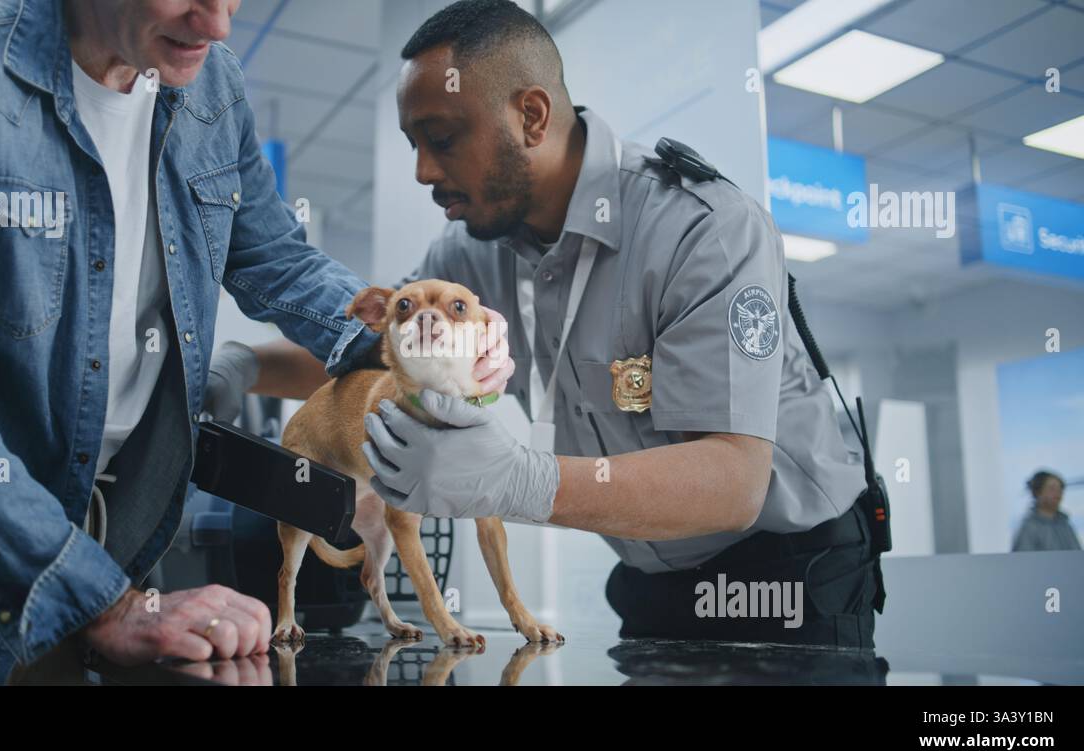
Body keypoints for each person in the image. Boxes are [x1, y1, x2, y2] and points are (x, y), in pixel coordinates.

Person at [0, 0, 512, 685]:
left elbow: (275, 258)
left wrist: (429, 347)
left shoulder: (213, 84)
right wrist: (103, 603)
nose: (217, 22)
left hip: (99, 563)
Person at [356, 0, 885, 647]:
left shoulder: (703, 228)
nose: (423, 172)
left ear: (530, 116)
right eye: (414, 146)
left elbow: (734, 482)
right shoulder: (469, 252)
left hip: (789, 571)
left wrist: (521, 480)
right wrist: (234, 369)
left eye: (441, 140)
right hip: (646, 579)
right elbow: (381, 344)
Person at [1012, 471, 1081, 552]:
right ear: (1038, 493)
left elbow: (1078, 555)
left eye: (1060, 489)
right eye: (1052, 489)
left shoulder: (1064, 524)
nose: (1058, 493)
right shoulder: (1029, 527)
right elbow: (1024, 561)